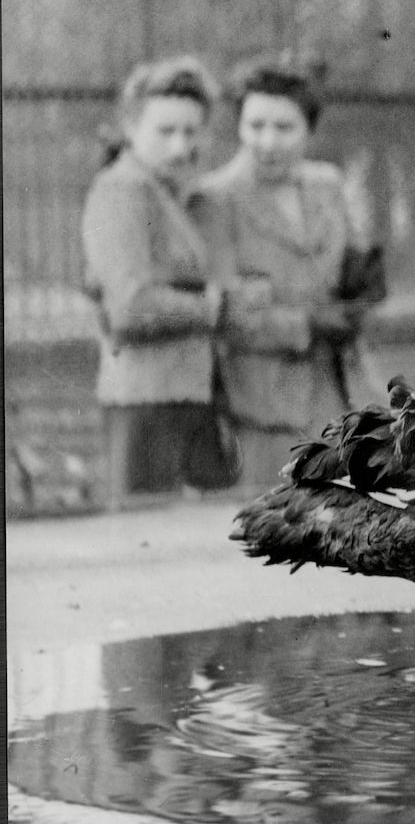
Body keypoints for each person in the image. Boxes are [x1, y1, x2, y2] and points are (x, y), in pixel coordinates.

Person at [193, 55, 386, 490]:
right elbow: (223, 314)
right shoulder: (215, 200)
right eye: (255, 125)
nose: (268, 141)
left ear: (309, 130)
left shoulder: (327, 184)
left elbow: (351, 267)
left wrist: (363, 289)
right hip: (263, 407)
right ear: (238, 126)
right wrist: (307, 324)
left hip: (342, 395)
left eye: (285, 128)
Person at [81, 55, 241, 509]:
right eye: (165, 131)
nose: (179, 146)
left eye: (190, 132)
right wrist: (214, 306)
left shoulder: (167, 191)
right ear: (131, 128)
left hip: (187, 395)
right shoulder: (122, 190)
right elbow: (130, 307)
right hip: (145, 401)